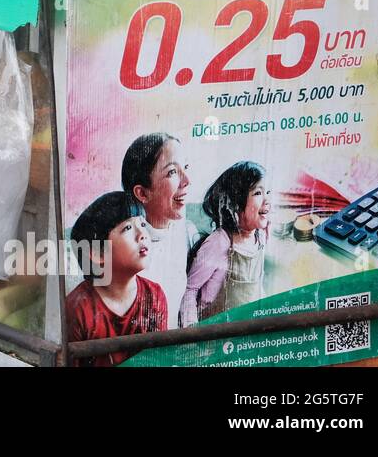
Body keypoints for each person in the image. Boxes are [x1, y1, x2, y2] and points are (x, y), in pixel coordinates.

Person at [66, 191, 168, 367]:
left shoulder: (154, 296)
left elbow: (158, 360)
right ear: (98, 253)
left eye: (143, 224)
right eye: (127, 228)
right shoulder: (78, 308)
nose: (142, 234)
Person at [120, 132, 199, 329]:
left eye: (186, 168)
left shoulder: (187, 233)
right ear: (142, 193)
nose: (187, 180)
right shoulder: (120, 248)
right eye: (172, 172)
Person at [180, 162, 270, 326]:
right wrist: (191, 331)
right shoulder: (219, 242)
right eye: (258, 193)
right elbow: (190, 290)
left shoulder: (260, 238)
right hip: (213, 332)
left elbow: (256, 290)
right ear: (235, 204)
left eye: (268, 192)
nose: (267, 200)